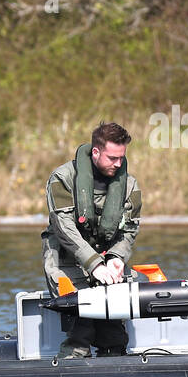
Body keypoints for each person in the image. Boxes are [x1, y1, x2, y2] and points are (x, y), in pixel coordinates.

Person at [42, 122, 142, 358]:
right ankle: (70, 366)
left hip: (107, 257)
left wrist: (117, 258)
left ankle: (115, 362)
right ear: (95, 152)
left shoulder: (130, 185)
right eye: (111, 158)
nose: (117, 164)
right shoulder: (63, 177)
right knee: (82, 322)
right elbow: (63, 227)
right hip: (66, 255)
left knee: (114, 329)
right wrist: (93, 263)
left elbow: (129, 230)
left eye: (121, 158)